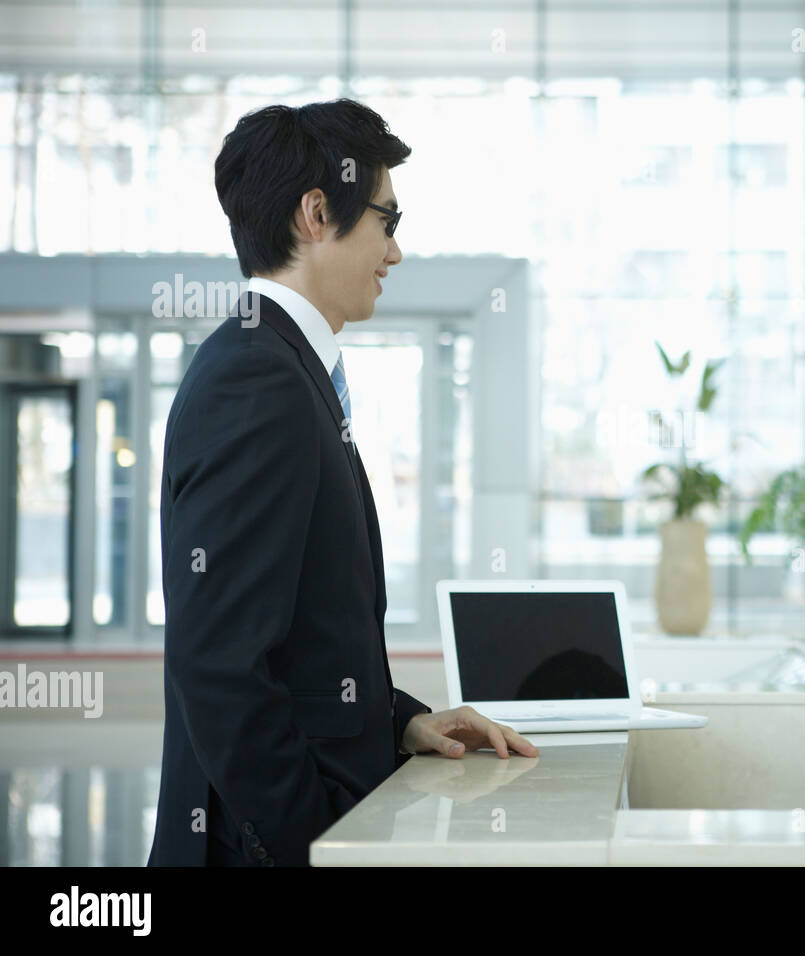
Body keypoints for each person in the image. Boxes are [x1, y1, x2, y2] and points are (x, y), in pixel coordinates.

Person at [148, 99, 536, 867]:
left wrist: (396, 722)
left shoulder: (283, 366)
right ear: (317, 213)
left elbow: (301, 642)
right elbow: (220, 663)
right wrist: (313, 836)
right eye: (388, 221)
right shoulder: (260, 380)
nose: (394, 252)